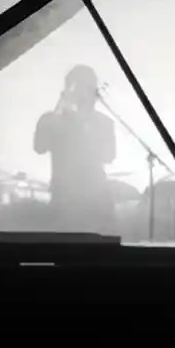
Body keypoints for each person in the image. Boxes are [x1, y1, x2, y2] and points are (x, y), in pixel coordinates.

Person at [33, 65, 116, 232]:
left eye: (87, 87)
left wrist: (85, 126)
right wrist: (59, 112)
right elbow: (39, 147)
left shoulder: (104, 122)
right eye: (77, 87)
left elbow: (109, 155)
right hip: (65, 200)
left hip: (97, 200)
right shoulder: (53, 120)